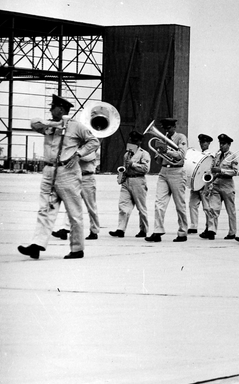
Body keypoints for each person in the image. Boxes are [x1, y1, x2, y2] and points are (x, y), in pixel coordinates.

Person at [18, 94, 99, 260]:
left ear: (61, 109)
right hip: (49, 171)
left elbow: (93, 141)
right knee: (45, 210)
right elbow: (34, 123)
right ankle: (37, 245)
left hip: (67, 172)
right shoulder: (49, 125)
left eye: (53, 106)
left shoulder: (76, 126)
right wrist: (54, 124)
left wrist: (78, 154)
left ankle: (77, 249)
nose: (50, 109)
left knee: (73, 212)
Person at [146, 118, 189, 243]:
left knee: (180, 205)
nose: (167, 130)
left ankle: (182, 232)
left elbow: (181, 155)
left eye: (169, 128)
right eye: (165, 128)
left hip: (177, 172)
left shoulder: (181, 138)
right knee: (159, 203)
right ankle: (158, 231)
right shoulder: (162, 139)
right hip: (164, 171)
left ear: (174, 127)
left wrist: (166, 150)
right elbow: (158, 160)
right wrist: (159, 153)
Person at [109, 130, 151, 238]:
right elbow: (124, 168)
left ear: (140, 141)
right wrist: (121, 176)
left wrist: (133, 164)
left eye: (135, 140)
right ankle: (120, 229)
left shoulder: (144, 154)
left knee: (141, 208)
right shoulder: (126, 154)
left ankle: (144, 230)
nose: (133, 141)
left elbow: (146, 169)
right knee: (123, 205)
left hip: (138, 181)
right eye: (132, 140)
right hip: (127, 180)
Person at [203, 133, 238, 240]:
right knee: (213, 209)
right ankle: (212, 231)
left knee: (230, 210)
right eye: (220, 143)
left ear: (229, 145)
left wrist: (221, 170)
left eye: (223, 144)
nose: (221, 146)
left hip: (227, 185)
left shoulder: (233, 156)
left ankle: (232, 232)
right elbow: (212, 168)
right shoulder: (217, 155)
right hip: (217, 184)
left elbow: (235, 171)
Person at [188, 133, 213, 235]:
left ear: (208, 143)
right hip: (196, 183)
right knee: (192, 205)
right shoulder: (198, 155)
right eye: (201, 142)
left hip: (205, 184)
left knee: (207, 207)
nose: (202, 144)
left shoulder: (210, 155)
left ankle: (209, 227)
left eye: (205, 142)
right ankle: (193, 226)